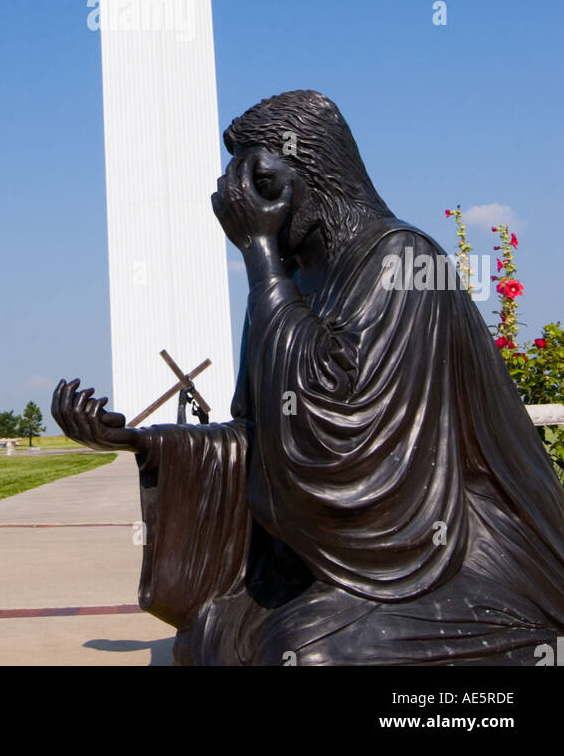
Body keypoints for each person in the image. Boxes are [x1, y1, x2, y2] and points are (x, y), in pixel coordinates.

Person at [53, 90, 564, 665]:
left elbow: (350, 436)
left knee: (307, 656)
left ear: (300, 177)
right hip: (351, 555)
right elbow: (264, 432)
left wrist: (260, 258)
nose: (239, 203)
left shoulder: (403, 261)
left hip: (445, 552)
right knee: (212, 632)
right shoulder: (287, 281)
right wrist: (141, 442)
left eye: (256, 182)